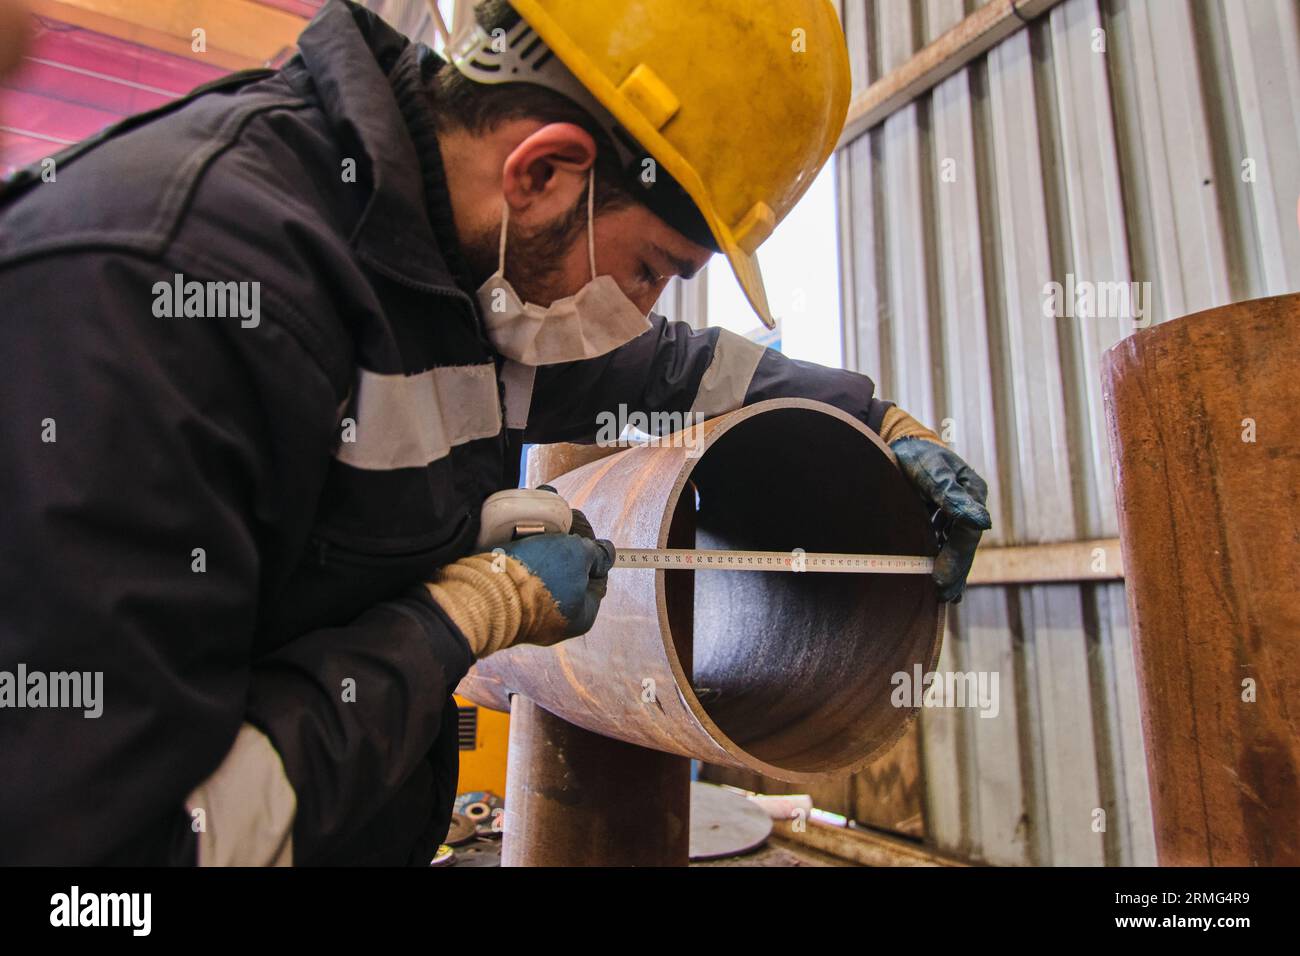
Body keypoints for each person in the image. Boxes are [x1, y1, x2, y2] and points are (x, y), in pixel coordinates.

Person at [0, 0, 990, 865]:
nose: (640, 312)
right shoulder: (161, 296)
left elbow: (673, 373)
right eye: (651, 270)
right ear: (546, 171)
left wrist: (872, 416)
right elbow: (121, 860)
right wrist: (463, 617)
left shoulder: (466, 281)